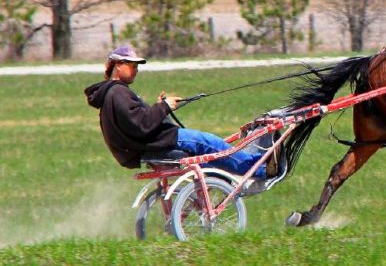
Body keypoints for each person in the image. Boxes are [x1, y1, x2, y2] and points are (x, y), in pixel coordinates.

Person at [84, 45, 277, 178]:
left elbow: (136, 120)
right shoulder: (118, 92)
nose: (136, 70)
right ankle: (260, 168)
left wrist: (158, 107)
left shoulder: (111, 93)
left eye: (137, 66)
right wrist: (164, 106)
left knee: (209, 156)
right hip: (160, 140)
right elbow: (141, 125)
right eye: (132, 65)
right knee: (208, 143)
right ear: (118, 65)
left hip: (147, 144)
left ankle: (253, 165)